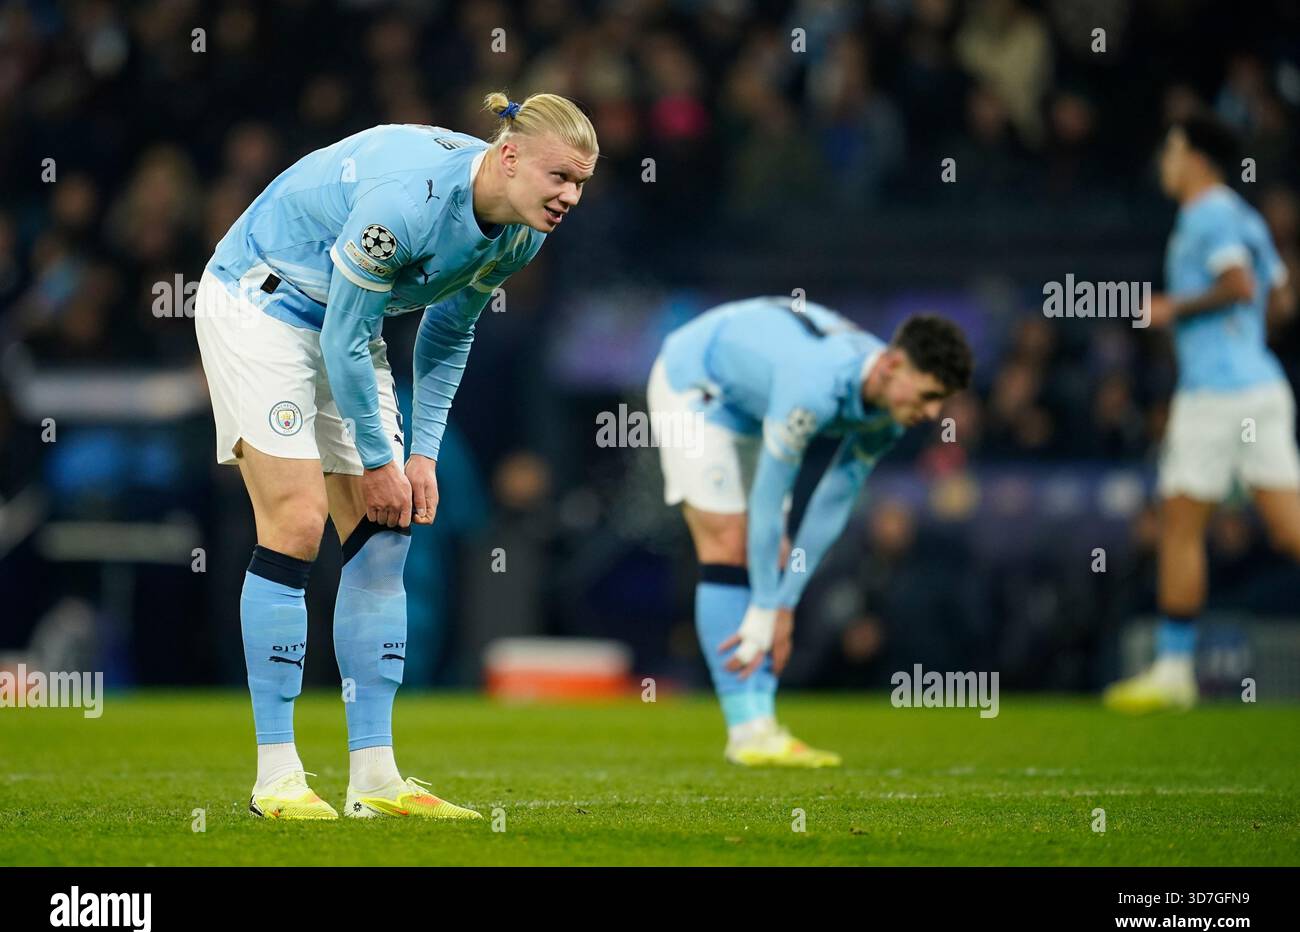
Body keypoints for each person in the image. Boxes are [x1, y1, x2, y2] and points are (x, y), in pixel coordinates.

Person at [194, 92, 598, 818]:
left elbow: (448, 334)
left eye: (580, 184)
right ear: (508, 157)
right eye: (560, 178)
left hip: (347, 323)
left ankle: (375, 779)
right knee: (295, 519)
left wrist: (422, 457)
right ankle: (276, 777)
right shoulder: (405, 207)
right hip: (260, 302)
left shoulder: (522, 233)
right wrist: (380, 459)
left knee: (386, 538)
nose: (570, 197)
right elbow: (345, 333)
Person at [647, 297, 972, 765]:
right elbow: (767, 497)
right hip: (699, 382)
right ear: (893, 364)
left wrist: (785, 602)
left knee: (773, 556)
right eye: (927, 396)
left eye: (941, 399)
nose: (932, 412)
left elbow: (834, 497)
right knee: (728, 539)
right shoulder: (813, 387)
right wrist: (764, 607)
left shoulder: (890, 410)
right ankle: (748, 729)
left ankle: (762, 725)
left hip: (756, 396)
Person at [1105, 114, 1300, 714]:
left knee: (1180, 526)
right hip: (1261, 385)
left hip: (1215, 395)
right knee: (1292, 530)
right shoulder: (1245, 215)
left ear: (1196, 157)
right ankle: (1172, 671)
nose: (1164, 162)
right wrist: (1241, 339)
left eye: (1171, 149)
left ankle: (1173, 670)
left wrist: (1171, 308)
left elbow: (1240, 286)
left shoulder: (1206, 214)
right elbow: (1281, 298)